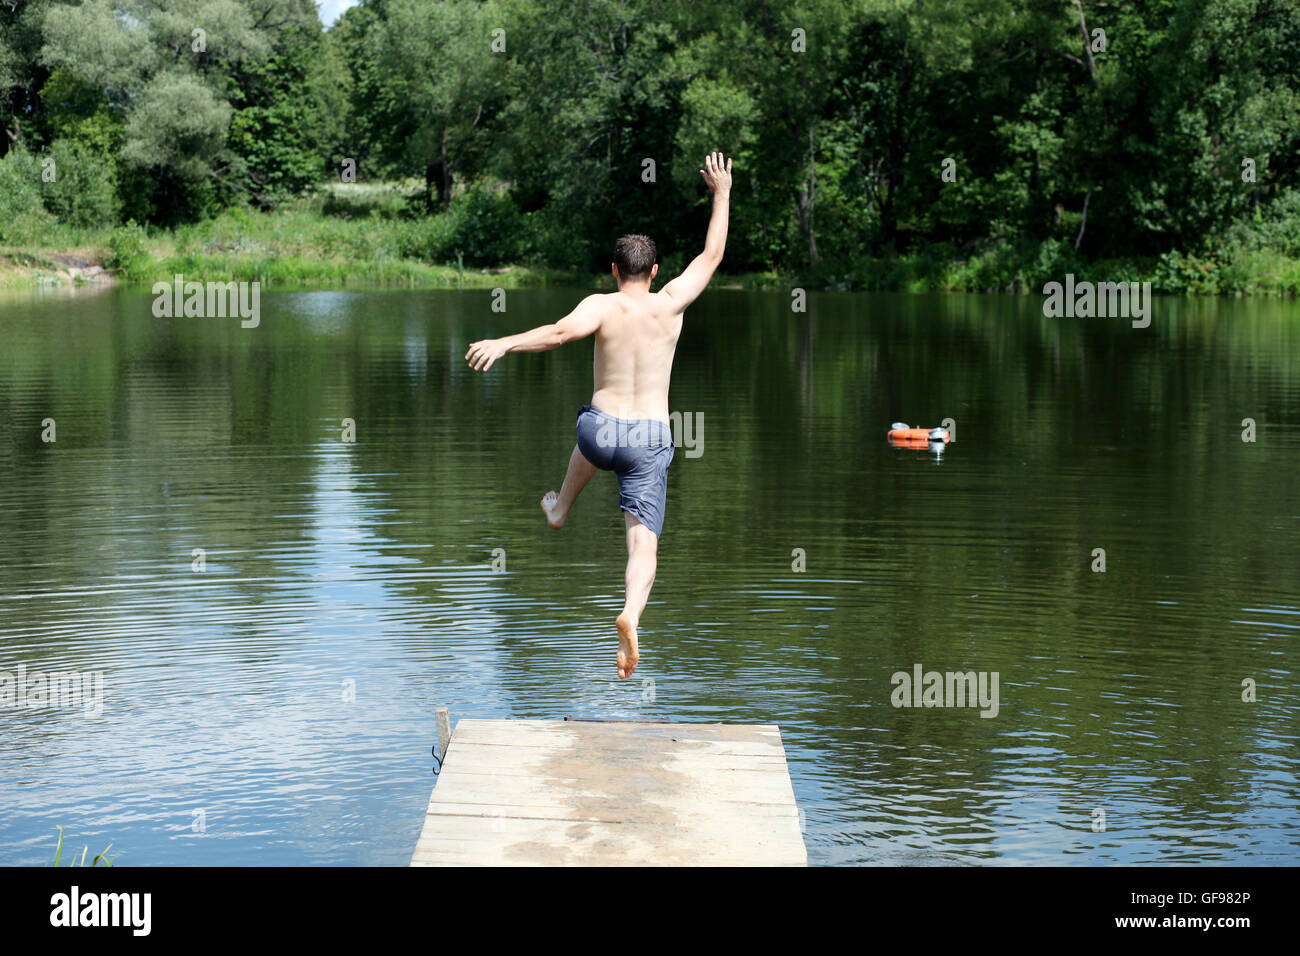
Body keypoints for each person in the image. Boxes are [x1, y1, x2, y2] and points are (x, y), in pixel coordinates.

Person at [466, 151, 732, 679]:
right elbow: (712, 255)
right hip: (650, 439)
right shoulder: (671, 301)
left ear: (614, 271)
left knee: (592, 429)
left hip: (599, 432)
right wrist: (721, 192)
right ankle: (630, 615)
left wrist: (504, 341)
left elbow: (558, 334)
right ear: (654, 272)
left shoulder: (601, 305)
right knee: (642, 542)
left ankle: (561, 505)